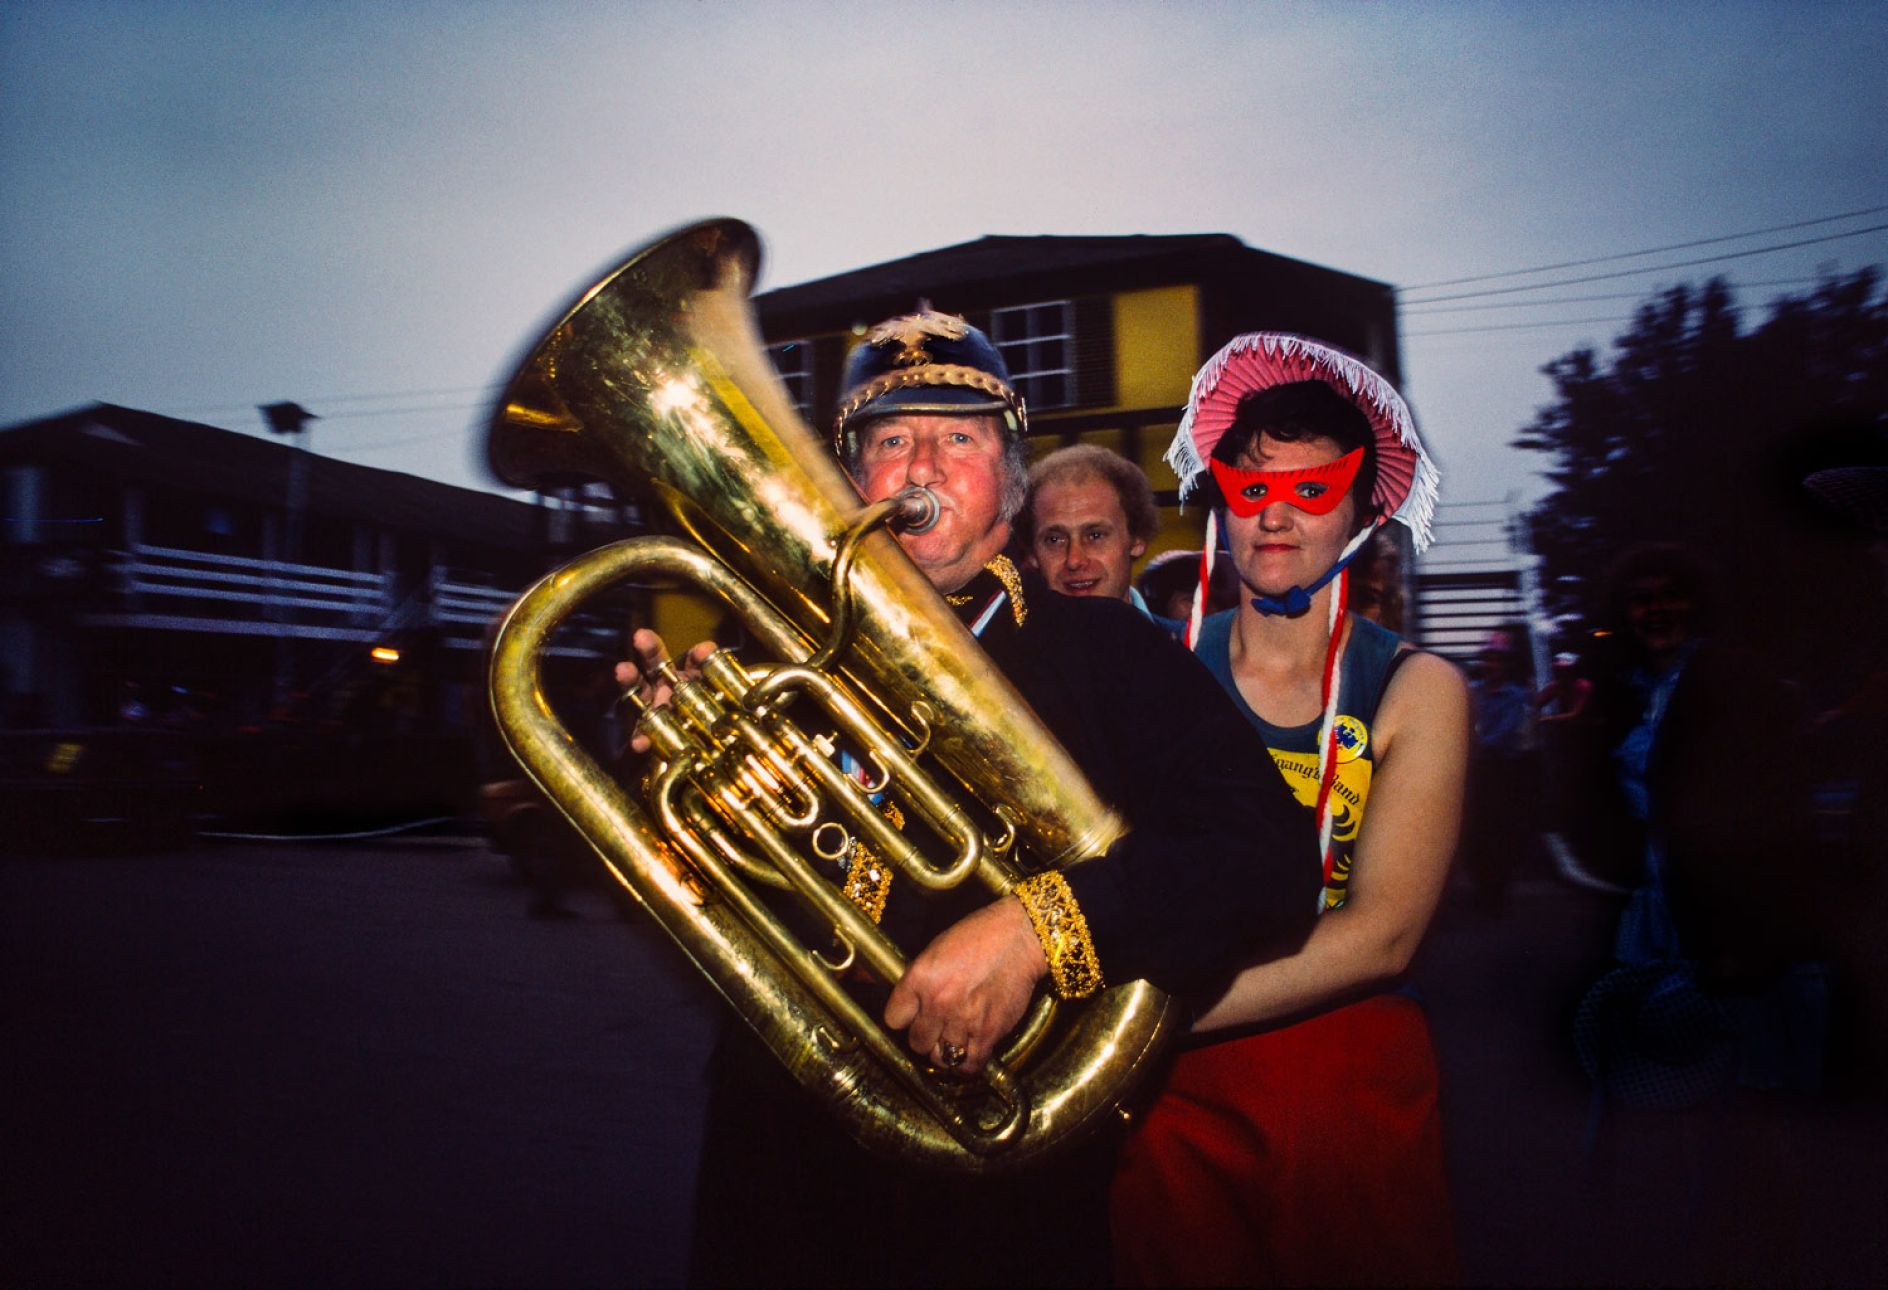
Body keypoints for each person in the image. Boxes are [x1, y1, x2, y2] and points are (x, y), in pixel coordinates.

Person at [620, 310, 1323, 1287]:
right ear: (851, 479)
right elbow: (713, 915)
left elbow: (1270, 863)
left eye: (959, 440)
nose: (920, 467)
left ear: (1009, 481)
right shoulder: (773, 658)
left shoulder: (1108, 655)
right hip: (778, 1168)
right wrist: (683, 797)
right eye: (889, 442)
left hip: (1003, 1195)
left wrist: (1039, 927)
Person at [1111, 332, 1469, 1286]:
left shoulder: (1414, 687)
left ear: (1361, 511)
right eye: (1251, 486)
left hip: (1342, 1097)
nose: (1276, 518)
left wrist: (1138, 1022)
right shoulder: (1155, 667)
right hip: (1171, 1108)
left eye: (1312, 490)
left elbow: (1384, 935)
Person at [1016, 443, 1173, 626]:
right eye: (1054, 540)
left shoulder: (1191, 646)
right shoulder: (1003, 653)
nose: (1074, 560)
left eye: (1095, 536)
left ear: (1137, 539)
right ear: (1033, 553)